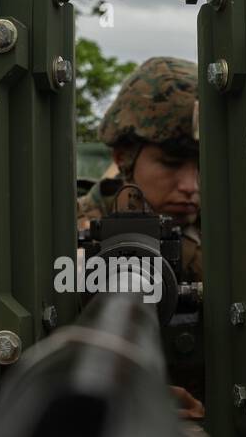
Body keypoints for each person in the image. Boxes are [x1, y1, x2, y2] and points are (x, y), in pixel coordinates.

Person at [78, 56, 202, 284]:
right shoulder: (67, 238)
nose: (190, 186)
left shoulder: (237, 237)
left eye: (204, 167)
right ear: (123, 158)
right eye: (171, 163)